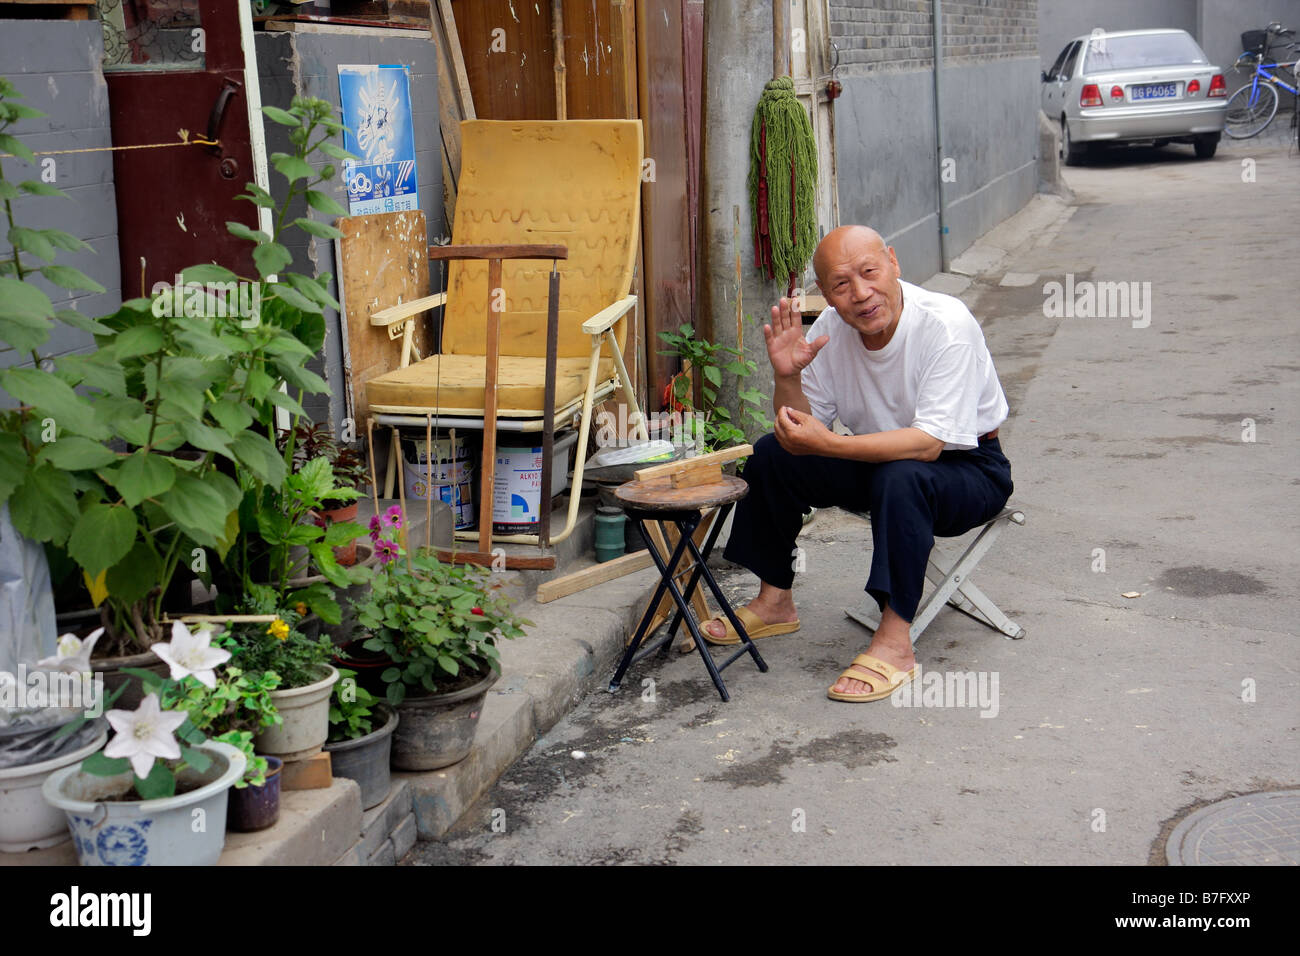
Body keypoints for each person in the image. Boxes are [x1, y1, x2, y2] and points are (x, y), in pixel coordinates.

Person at [702, 225, 1013, 702]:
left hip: (968, 469)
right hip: (879, 463)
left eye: (869, 273)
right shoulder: (829, 329)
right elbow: (800, 430)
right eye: (841, 285)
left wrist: (831, 445)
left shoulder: (946, 323)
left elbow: (928, 445)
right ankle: (774, 600)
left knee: (903, 474)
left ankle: (895, 639)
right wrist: (788, 378)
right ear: (825, 293)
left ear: (892, 263)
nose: (861, 294)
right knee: (772, 452)